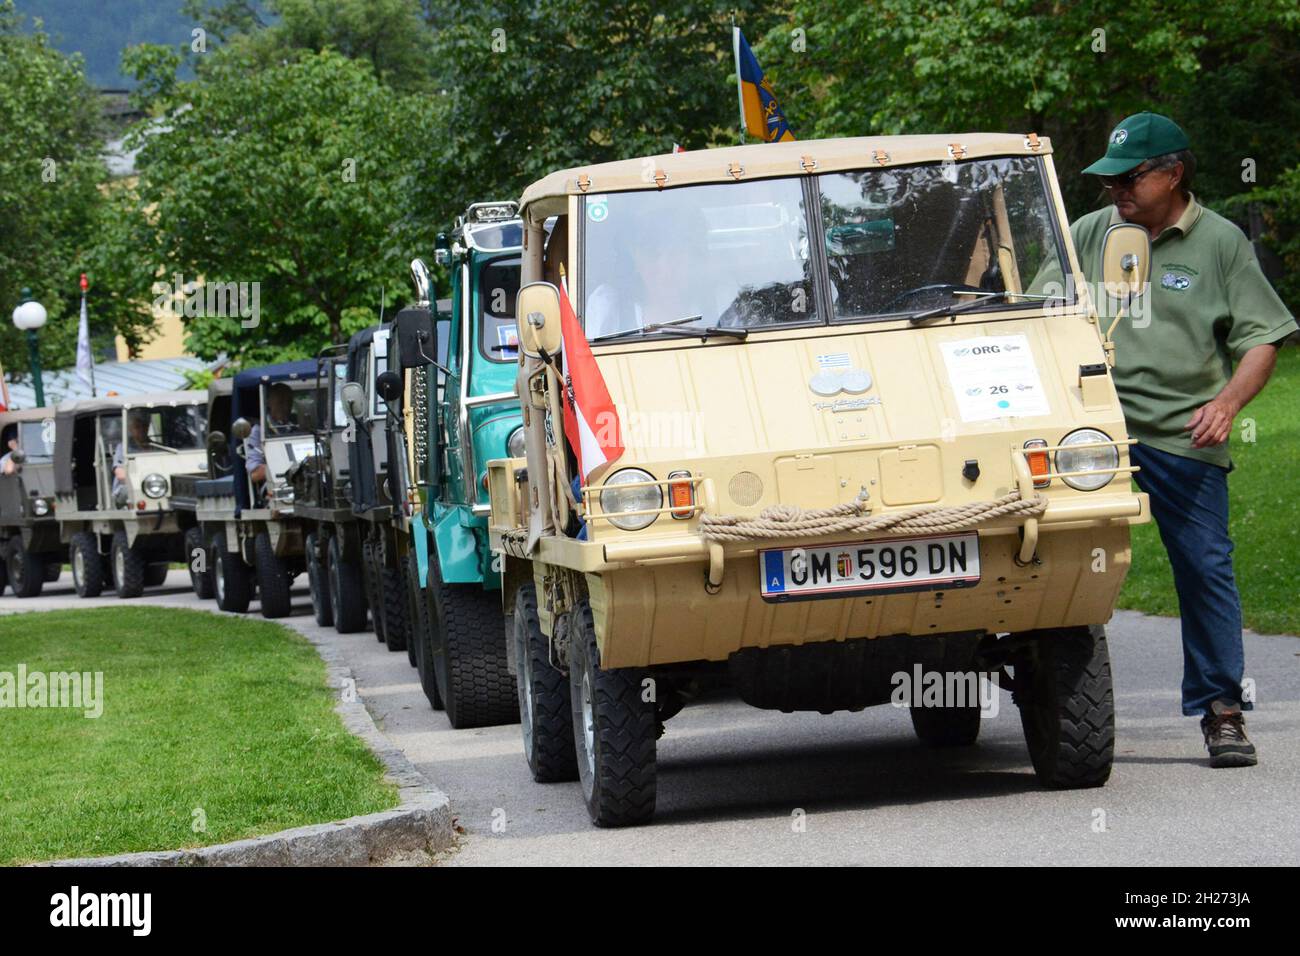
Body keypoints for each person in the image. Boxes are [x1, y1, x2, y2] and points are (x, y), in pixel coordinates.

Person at [1071, 112, 1298, 767]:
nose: (1116, 190)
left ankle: (1222, 712)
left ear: (1173, 173)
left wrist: (1228, 404)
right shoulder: (1091, 233)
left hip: (1179, 435)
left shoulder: (1221, 243)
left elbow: (1263, 336)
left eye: (1130, 177)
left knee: (1204, 568)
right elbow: (1041, 311)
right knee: (1052, 559)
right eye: (1109, 178)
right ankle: (1051, 697)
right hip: (1092, 433)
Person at [245, 383, 296, 496]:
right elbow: (254, 474)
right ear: (269, 403)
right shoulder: (259, 431)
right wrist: (284, 467)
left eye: (289, 403)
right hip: (273, 489)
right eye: (280, 403)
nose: (286, 407)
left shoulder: (296, 427)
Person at [112, 410, 155, 506]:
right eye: (137, 427)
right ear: (130, 429)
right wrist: (143, 482)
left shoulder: (157, 447)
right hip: (126, 488)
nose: (141, 430)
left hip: (153, 486)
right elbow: (120, 474)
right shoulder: (123, 447)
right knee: (132, 491)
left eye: (144, 426)